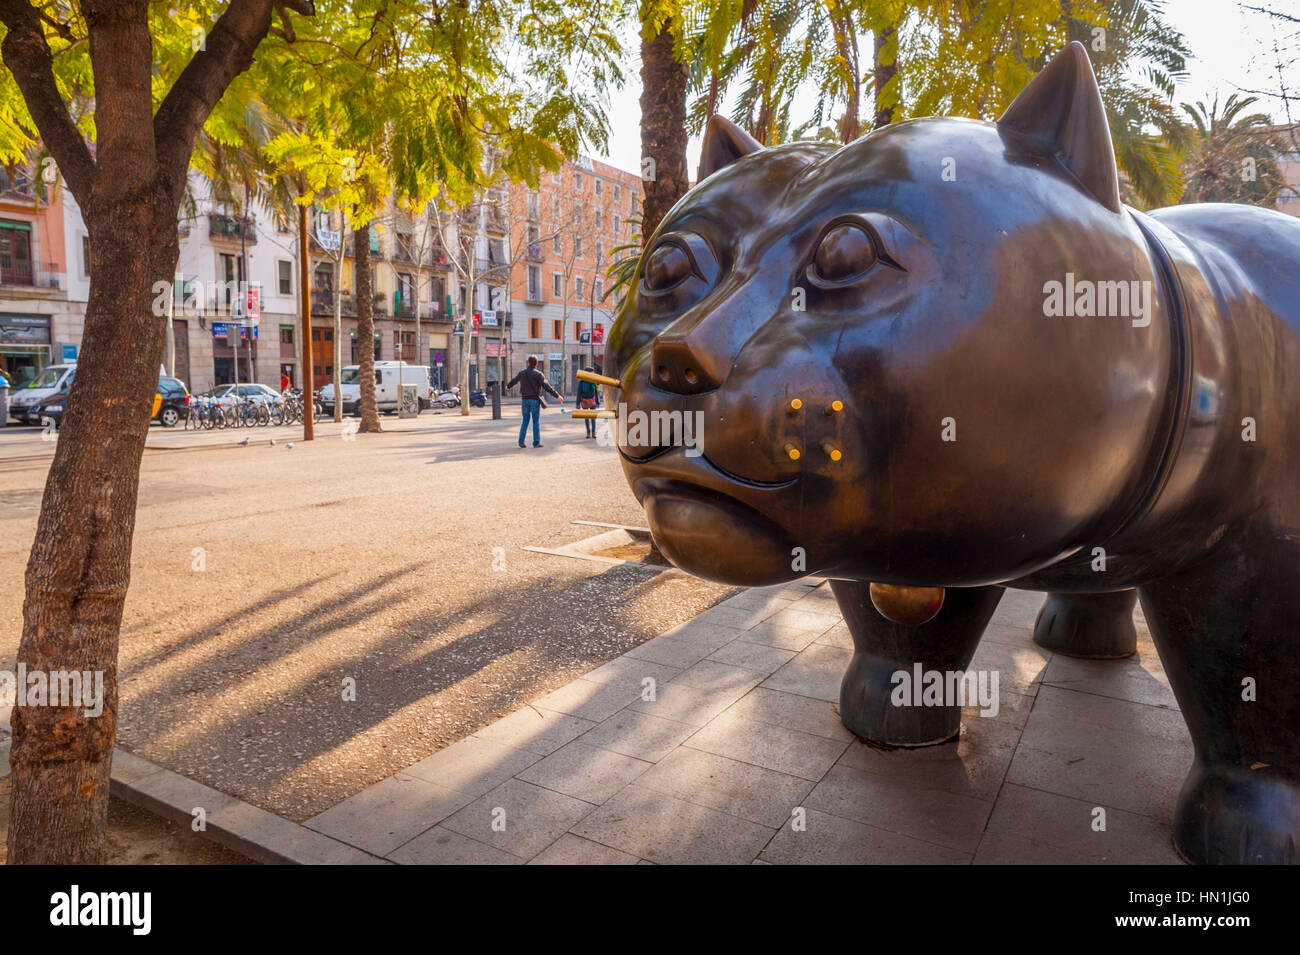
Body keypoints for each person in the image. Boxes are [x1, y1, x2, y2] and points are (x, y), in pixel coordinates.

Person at [506, 356, 561, 447]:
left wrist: (508, 386)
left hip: (524, 400)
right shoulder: (539, 374)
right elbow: (547, 387)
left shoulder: (522, 373)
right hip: (535, 400)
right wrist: (557, 396)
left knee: (525, 421)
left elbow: (514, 380)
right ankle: (536, 442)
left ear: (528, 363)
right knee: (535, 421)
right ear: (536, 364)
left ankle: (521, 442)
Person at [577, 365, 599, 438]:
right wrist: (577, 403)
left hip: (592, 401)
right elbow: (579, 392)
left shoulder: (593, 381)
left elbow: (596, 392)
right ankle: (588, 433)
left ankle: (593, 433)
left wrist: (598, 401)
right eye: (592, 373)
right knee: (587, 418)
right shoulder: (582, 381)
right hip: (585, 401)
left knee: (593, 418)